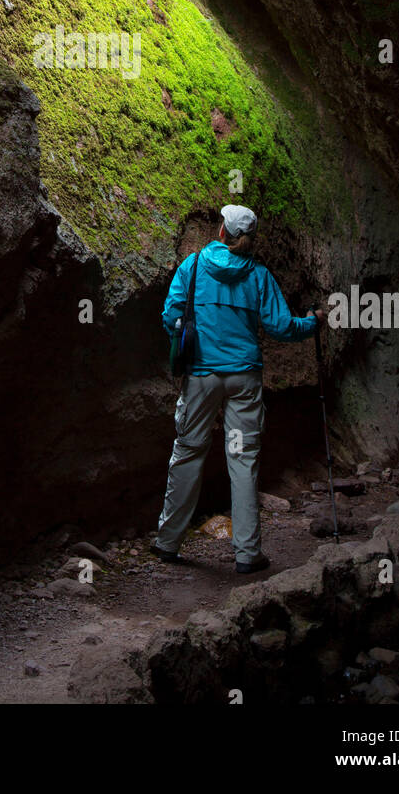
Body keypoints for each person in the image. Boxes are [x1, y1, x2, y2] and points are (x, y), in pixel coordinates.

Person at [152, 204, 327, 573]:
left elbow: (170, 316)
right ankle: (247, 554)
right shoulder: (259, 276)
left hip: (202, 378)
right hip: (243, 380)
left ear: (221, 231)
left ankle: (167, 543)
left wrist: (188, 345)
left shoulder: (194, 267)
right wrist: (312, 323)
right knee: (242, 458)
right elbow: (280, 326)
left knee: (188, 452)